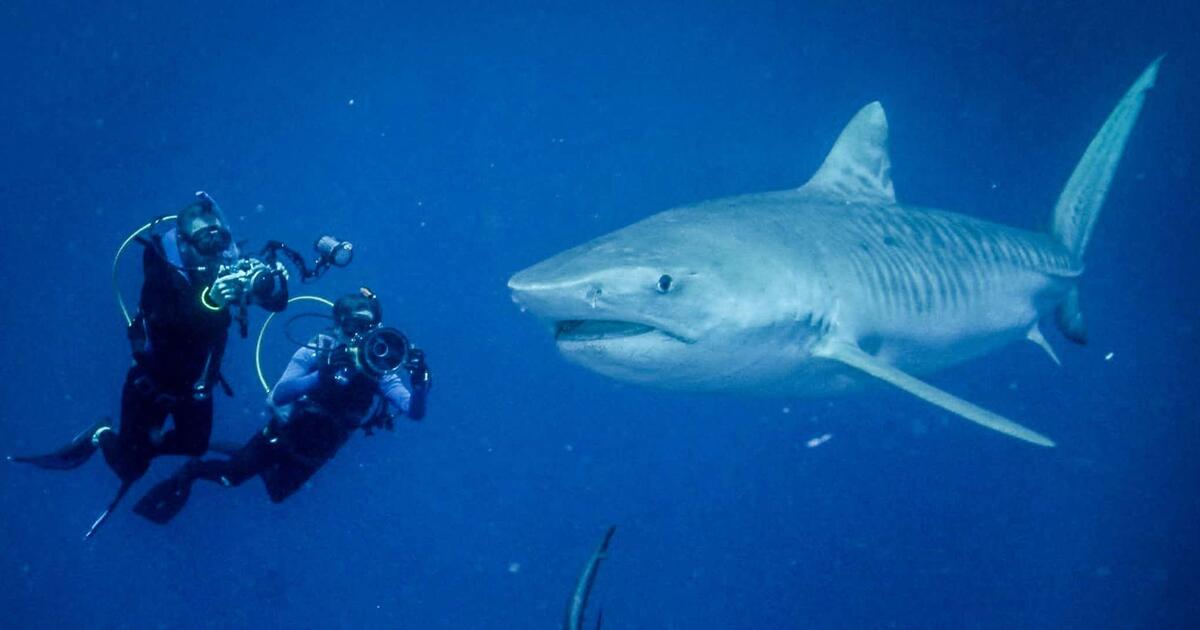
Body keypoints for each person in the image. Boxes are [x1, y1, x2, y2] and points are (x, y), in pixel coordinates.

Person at [11, 192, 289, 492]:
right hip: (151, 384)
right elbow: (173, 322)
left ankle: (148, 446)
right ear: (183, 244)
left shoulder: (226, 269)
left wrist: (274, 284)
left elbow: (275, 303)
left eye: (220, 240)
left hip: (195, 386)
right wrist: (212, 299)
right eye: (205, 243)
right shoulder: (161, 277)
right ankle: (102, 434)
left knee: (195, 444)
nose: (215, 252)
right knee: (130, 470)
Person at [133, 289, 431, 523]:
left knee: (276, 493)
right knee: (231, 477)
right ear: (338, 327)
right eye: (354, 326)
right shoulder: (321, 349)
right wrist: (321, 376)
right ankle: (193, 469)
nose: (361, 334)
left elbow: (414, 411)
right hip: (283, 434)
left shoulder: (380, 370)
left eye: (368, 327)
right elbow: (279, 395)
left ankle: (241, 455)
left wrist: (420, 383)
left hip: (317, 452)